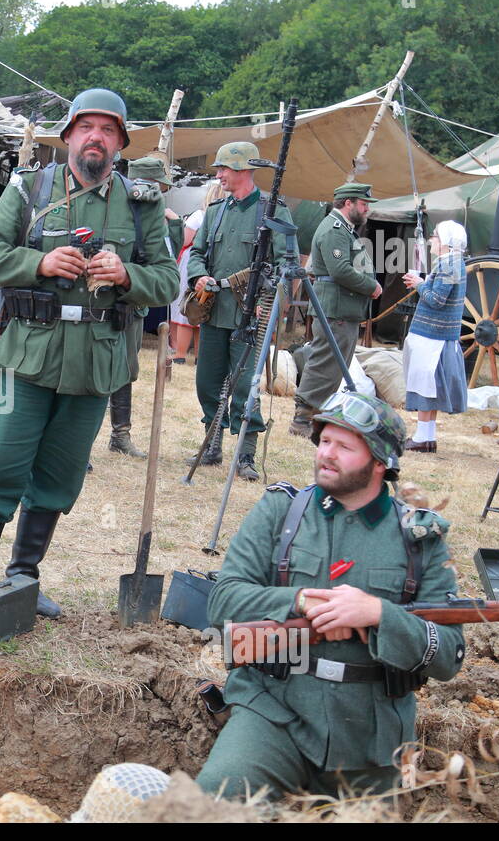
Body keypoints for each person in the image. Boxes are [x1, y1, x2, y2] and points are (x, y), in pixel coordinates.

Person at [0, 88, 180, 627]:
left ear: (119, 143)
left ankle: (23, 577)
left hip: (95, 363)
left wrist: (127, 275)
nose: (96, 137)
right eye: (86, 127)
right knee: (4, 467)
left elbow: (166, 279)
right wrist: (38, 264)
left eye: (107, 130)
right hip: (26, 358)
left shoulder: (142, 205)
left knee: (61, 475)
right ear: (67, 137)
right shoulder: (28, 189)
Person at [196, 392, 465, 801]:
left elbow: (448, 656)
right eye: (324, 441)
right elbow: (224, 600)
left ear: (380, 462)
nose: (327, 453)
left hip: (372, 734)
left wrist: (379, 614)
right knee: (215, 801)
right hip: (274, 708)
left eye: (344, 446)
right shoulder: (281, 512)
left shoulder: (420, 538)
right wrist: (298, 600)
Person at [187, 142, 293, 481]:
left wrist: (268, 301)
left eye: (224, 169)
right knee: (207, 383)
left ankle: (246, 454)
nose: (218, 175)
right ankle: (212, 442)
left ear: (244, 170)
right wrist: (198, 274)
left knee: (246, 386)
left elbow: (285, 264)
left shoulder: (272, 210)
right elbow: (197, 252)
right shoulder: (216, 210)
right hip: (215, 312)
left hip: (252, 316)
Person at [290, 183, 384, 439]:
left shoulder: (344, 230)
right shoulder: (334, 230)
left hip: (342, 308)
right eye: (363, 204)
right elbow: (340, 270)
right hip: (335, 308)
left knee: (332, 365)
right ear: (348, 203)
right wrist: (371, 286)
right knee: (325, 364)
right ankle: (302, 419)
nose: (367, 209)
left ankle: (314, 415)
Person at [103, 155, 180, 459]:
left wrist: (173, 222)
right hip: (105, 304)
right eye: (160, 185)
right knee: (96, 370)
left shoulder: (156, 212)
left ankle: (120, 434)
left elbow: (166, 264)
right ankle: (79, 442)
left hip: (133, 308)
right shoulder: (117, 207)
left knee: (125, 368)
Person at [400, 220, 469, 452]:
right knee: (430, 388)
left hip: (432, 337)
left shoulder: (450, 265)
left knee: (424, 387)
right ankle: (427, 438)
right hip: (437, 336)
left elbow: (436, 301)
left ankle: (421, 438)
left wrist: (420, 284)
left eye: (435, 236)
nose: (431, 240)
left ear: (446, 243)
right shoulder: (451, 263)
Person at [170, 184, 225, 364]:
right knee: (204, 308)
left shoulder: (199, 215)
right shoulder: (225, 217)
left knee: (187, 306)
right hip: (214, 263)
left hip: (193, 261)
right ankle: (200, 358)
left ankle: (179, 354)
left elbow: (185, 240)